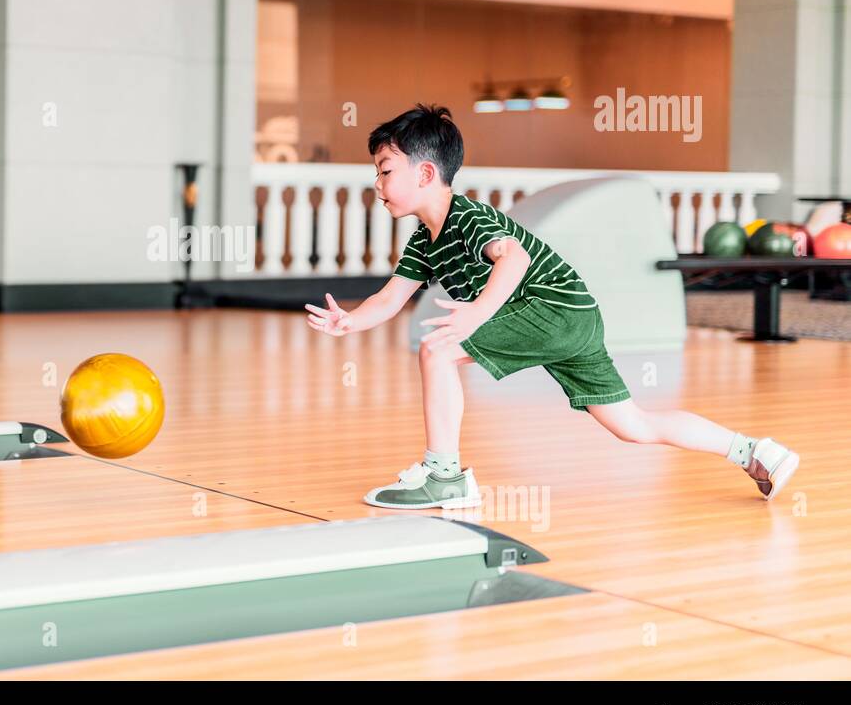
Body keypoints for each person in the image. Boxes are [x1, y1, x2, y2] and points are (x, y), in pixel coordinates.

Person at [304, 104, 800, 509]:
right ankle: (756, 452)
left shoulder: (469, 218)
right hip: (575, 318)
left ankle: (445, 475)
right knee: (634, 426)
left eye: (385, 170)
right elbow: (391, 296)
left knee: (438, 349)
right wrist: (350, 321)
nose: (377, 183)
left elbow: (513, 258)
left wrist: (475, 314)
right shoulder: (425, 240)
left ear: (426, 171)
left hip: (554, 310)